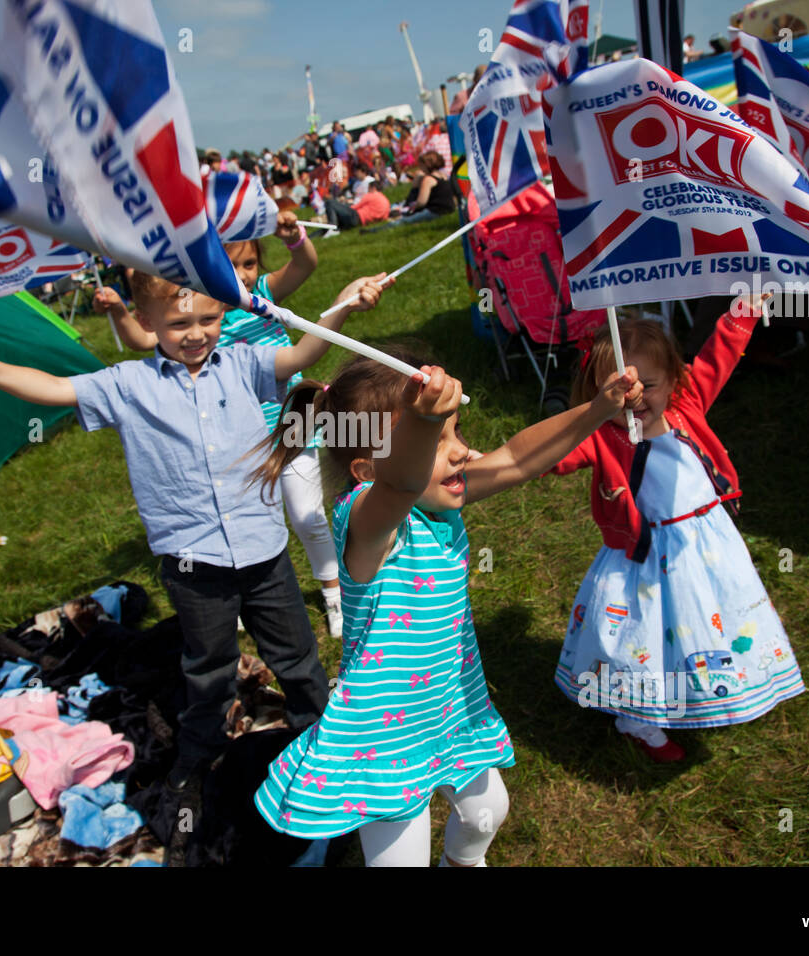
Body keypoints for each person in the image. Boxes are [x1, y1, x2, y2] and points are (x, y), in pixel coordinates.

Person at [0, 267, 390, 788]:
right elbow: (56, 389)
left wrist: (343, 302)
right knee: (210, 669)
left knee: (299, 658)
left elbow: (304, 354)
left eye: (209, 319)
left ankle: (325, 744)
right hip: (195, 566)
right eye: (178, 324)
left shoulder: (243, 364)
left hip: (265, 554)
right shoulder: (128, 384)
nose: (196, 334)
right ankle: (201, 765)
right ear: (146, 321)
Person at [251, 348, 640, 866]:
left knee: (488, 811)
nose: (459, 452)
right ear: (365, 469)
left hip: (447, 710)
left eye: (455, 433)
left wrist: (597, 409)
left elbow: (518, 460)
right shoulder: (368, 523)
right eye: (439, 440)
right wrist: (423, 418)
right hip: (382, 740)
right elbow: (399, 483)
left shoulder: (435, 505)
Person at [550, 297, 805, 762]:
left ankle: (718, 690)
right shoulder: (605, 436)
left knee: (714, 626)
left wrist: (742, 313)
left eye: (648, 385)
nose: (636, 398)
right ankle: (639, 720)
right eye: (620, 390)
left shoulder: (689, 406)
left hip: (708, 548)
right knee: (644, 638)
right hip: (647, 559)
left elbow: (719, 356)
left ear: (673, 381)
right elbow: (553, 456)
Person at [94, 212, 348, 637]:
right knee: (237, 523)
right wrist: (121, 310)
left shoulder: (265, 293)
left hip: (292, 426)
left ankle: (334, 593)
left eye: (250, 264)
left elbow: (305, 265)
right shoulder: (200, 315)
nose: (244, 275)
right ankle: (237, 598)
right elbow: (143, 340)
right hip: (237, 441)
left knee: (306, 515)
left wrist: (295, 238)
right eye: (232, 266)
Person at [363, 152, 455, 231]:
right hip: (449, 208)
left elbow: (421, 202)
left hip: (435, 211)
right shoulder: (444, 176)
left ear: (427, 165)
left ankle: (374, 230)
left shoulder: (428, 179)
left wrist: (411, 208)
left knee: (402, 221)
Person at [323, 181, 391, 230]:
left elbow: (356, 207)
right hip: (361, 222)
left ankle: (332, 227)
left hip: (356, 216)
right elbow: (385, 217)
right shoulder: (386, 201)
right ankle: (330, 228)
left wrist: (343, 208)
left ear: (373, 188)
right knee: (335, 223)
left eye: (369, 189)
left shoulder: (372, 195)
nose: (368, 191)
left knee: (330, 202)